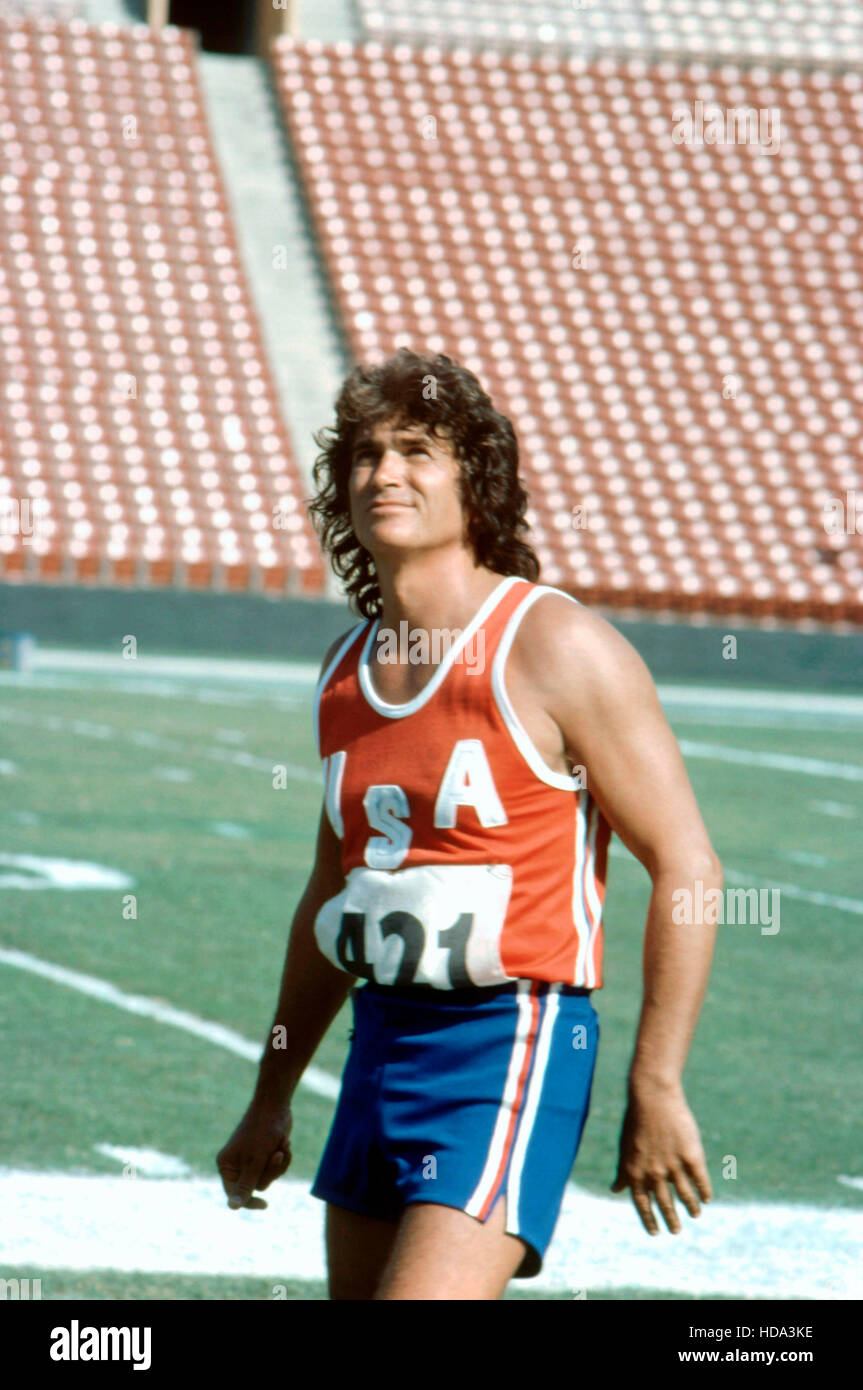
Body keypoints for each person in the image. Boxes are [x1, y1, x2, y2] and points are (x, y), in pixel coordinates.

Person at [216, 348, 722, 1300]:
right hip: (381, 1040)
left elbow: (688, 864)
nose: (384, 474)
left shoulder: (555, 644)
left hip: (508, 1041)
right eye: (364, 455)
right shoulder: (343, 669)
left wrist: (656, 1081)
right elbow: (332, 894)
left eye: (416, 451)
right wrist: (271, 1096)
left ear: (475, 481)